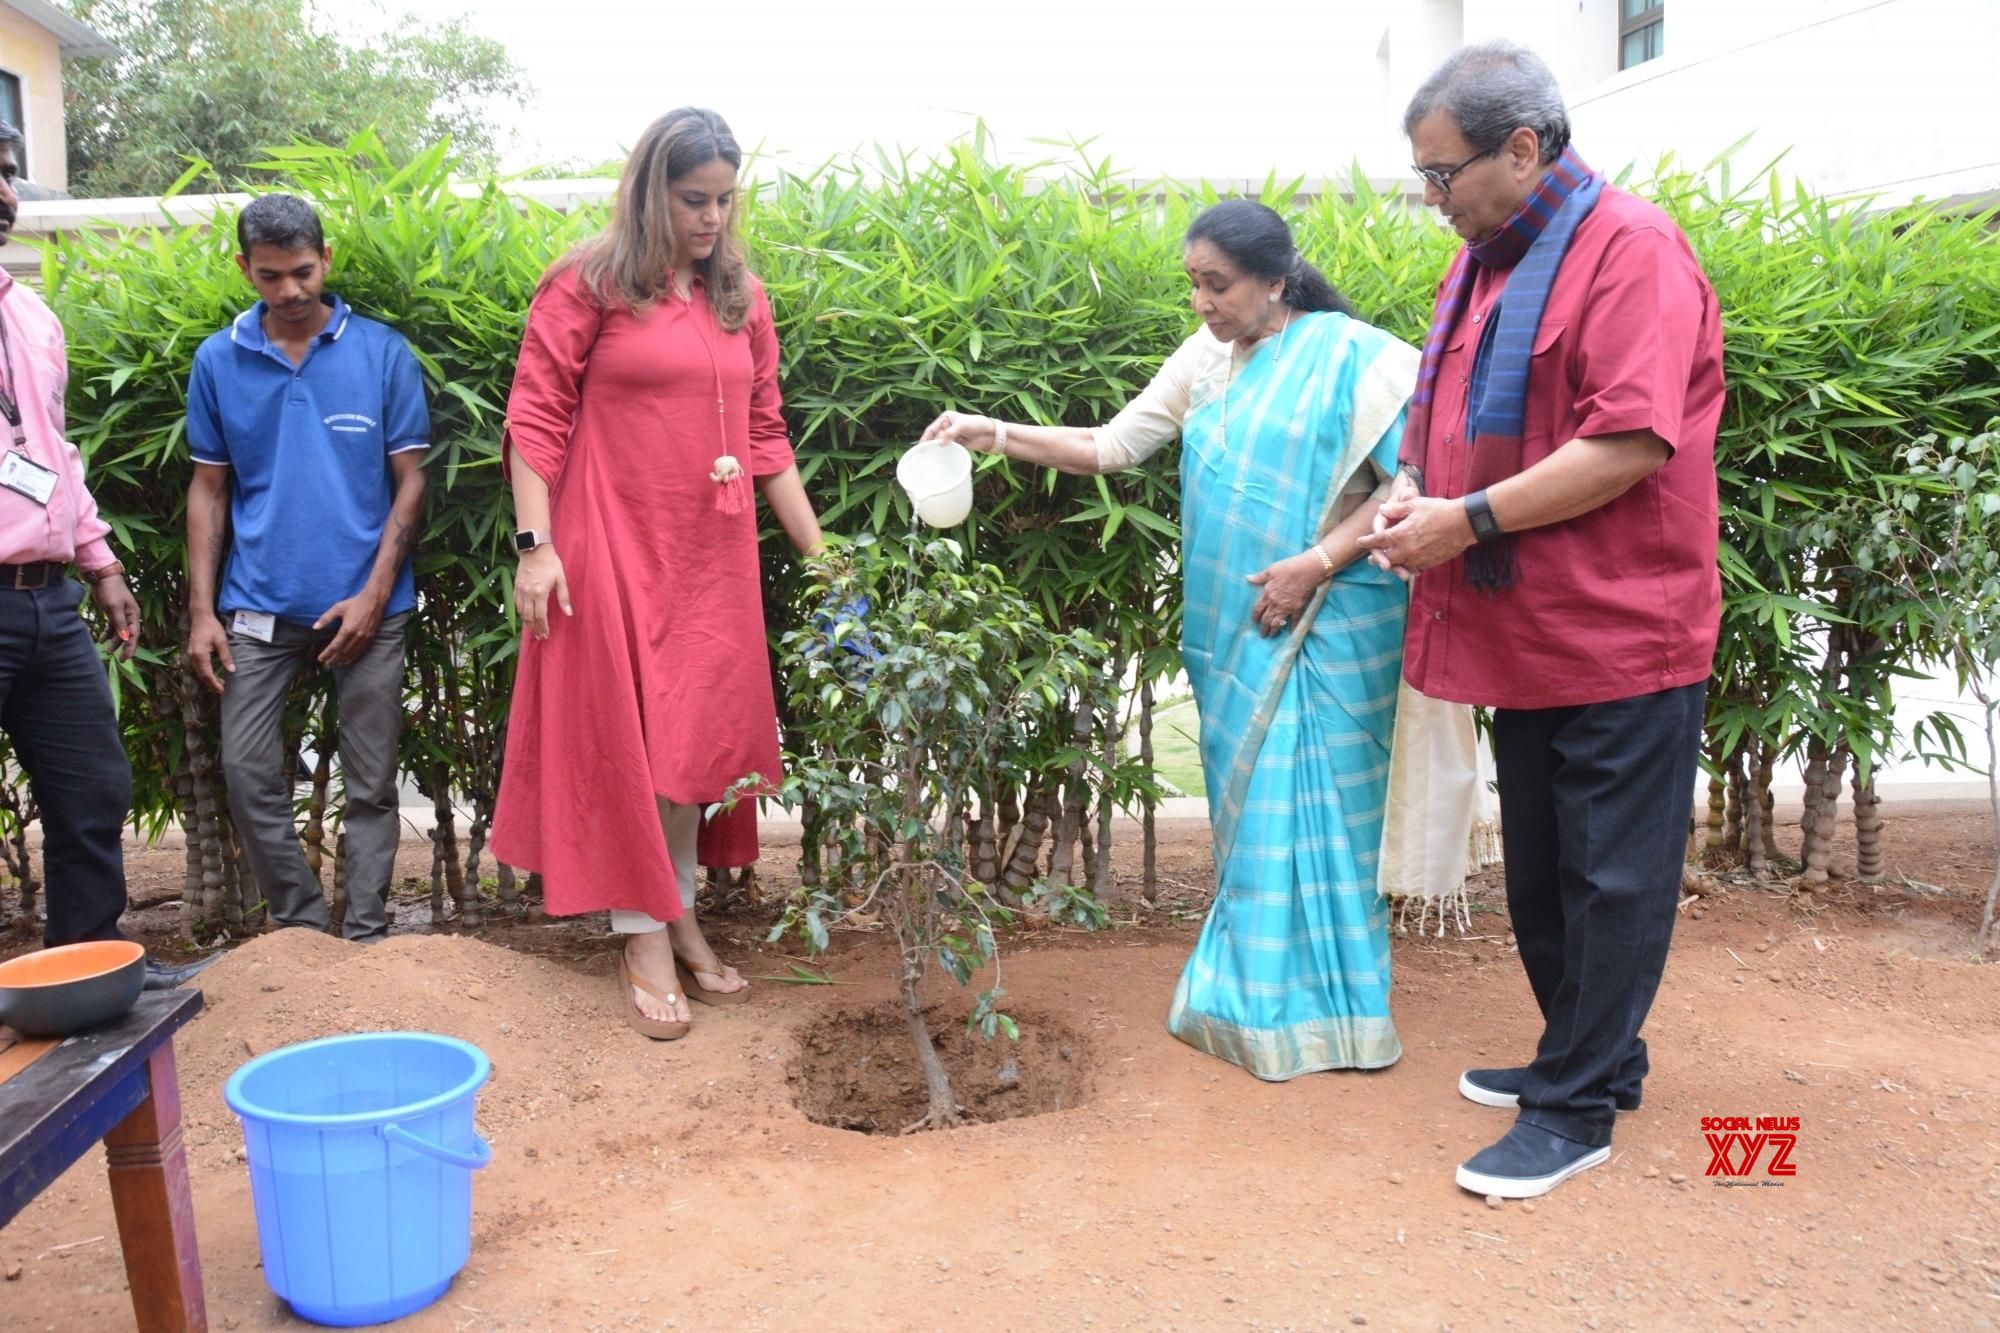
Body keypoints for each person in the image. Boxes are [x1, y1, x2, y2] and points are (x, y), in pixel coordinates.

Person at [923, 199, 1468, 1080]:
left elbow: (1410, 482)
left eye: (1216, 285)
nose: (1201, 303)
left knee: (1324, 811)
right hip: (1235, 624)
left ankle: (1346, 1012)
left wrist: (1312, 566)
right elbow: (1112, 448)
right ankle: (1254, 1002)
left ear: (1274, 281)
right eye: (1193, 284)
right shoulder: (1204, 359)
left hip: (1334, 621)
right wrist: (990, 433)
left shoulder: (1356, 359)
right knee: (1258, 815)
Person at [1360, 41, 1725, 1198]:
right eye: (1421, 175)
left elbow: (1625, 443)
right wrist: (1424, 492)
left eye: (1442, 173)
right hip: (1523, 627)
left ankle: (1574, 1112)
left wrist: (1461, 518)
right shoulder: (1485, 265)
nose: (1431, 199)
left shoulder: (1630, 252)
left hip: (1622, 626)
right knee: (1541, 871)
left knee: (1610, 878)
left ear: (1522, 148)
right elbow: (1459, 421)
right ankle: (1593, 1059)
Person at [489, 108, 826, 1040]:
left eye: (724, 198)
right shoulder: (587, 282)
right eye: (692, 199)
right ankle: (641, 931)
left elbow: (766, 436)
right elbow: (535, 418)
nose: (712, 217)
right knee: (630, 741)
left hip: (708, 555)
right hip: (607, 540)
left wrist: (822, 557)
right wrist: (536, 545)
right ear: (650, 190)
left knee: (692, 746)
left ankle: (675, 905)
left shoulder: (739, 298)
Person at [184, 194, 431, 942]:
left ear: (325, 258)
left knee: (371, 779)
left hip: (371, 610)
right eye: (269, 276)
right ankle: (300, 928)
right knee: (248, 770)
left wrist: (375, 591)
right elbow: (207, 487)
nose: (289, 291)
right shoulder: (218, 360)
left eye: (301, 271)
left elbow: (412, 480)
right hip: (258, 605)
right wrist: (202, 611)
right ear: (244, 270)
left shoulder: (381, 352)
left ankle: (364, 933)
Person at [0, 120, 205, 988]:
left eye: (6, 173)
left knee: (93, 788)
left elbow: (55, 451)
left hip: (45, 599)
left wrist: (102, 561)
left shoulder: (30, 314)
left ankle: (88, 969)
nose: (3, 192)